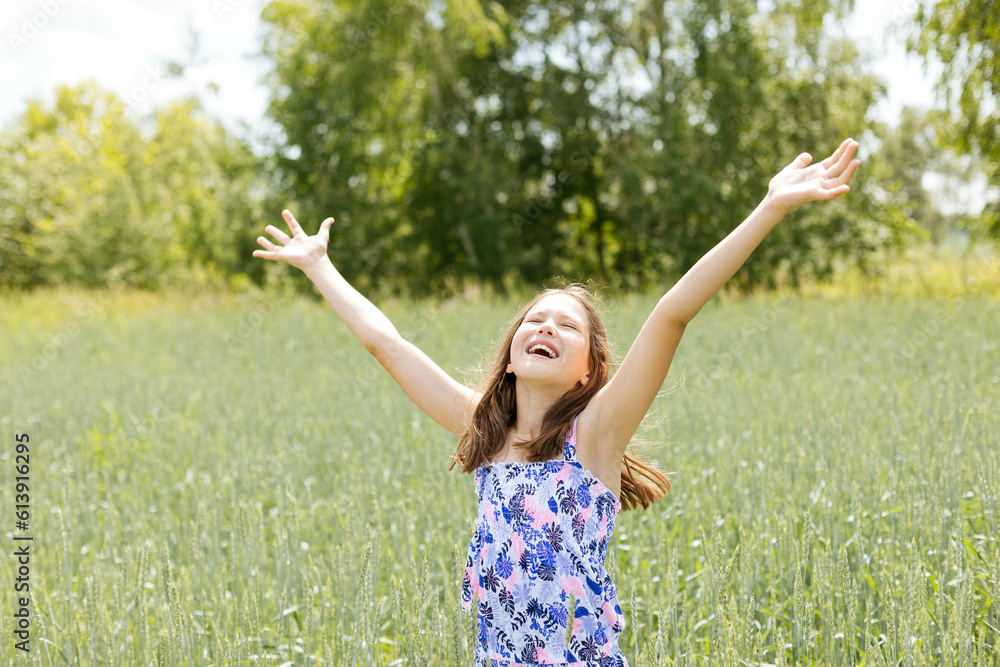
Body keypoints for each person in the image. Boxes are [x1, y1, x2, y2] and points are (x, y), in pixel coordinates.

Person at [253, 138, 861, 666]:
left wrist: (770, 207)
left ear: (588, 372)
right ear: (511, 354)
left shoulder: (595, 438)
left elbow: (673, 313)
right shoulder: (484, 433)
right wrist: (319, 267)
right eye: (534, 320)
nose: (545, 327)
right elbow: (387, 344)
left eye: (566, 327)